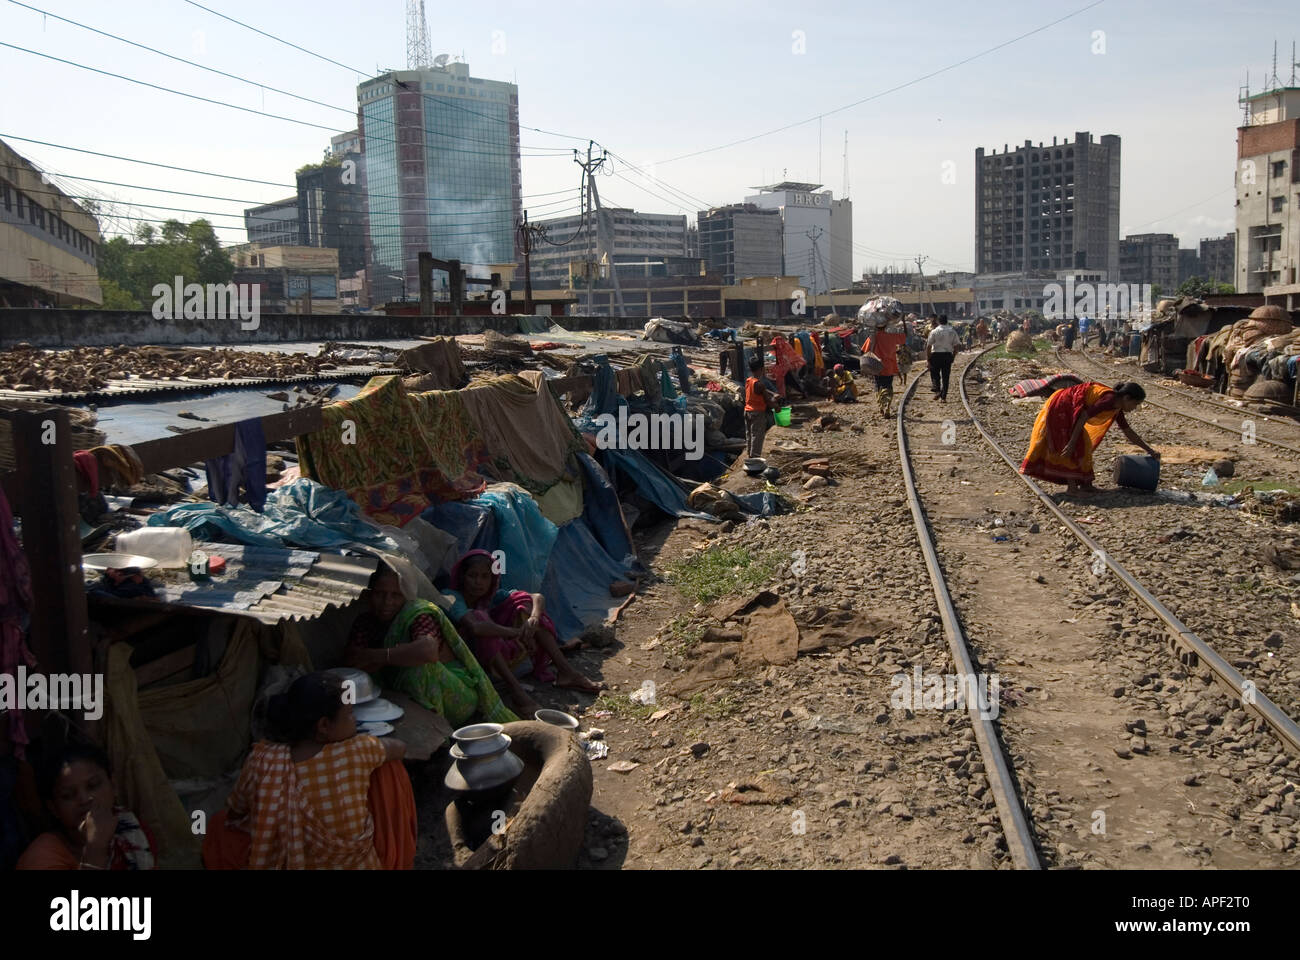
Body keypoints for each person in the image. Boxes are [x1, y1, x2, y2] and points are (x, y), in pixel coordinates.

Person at [204, 672, 416, 870]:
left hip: (287, 861)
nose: (355, 721)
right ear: (324, 725)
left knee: (218, 825)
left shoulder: (263, 759)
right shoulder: (359, 749)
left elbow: (236, 810)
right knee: (390, 768)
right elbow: (400, 748)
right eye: (350, 714)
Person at [344, 565, 518, 727]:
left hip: (456, 697)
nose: (387, 602)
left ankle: (436, 730)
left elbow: (428, 651)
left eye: (395, 595)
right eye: (380, 594)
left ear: (406, 596)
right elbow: (354, 660)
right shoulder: (365, 622)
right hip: (402, 697)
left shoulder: (418, 613)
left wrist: (377, 656)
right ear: (369, 595)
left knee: (418, 667)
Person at [447, 549, 602, 716]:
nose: (478, 582)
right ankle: (517, 692)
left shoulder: (489, 597)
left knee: (523, 603)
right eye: (472, 576)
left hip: (499, 652)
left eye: (485, 577)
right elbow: (476, 628)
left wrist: (533, 619)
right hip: (469, 659)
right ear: (462, 577)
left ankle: (566, 672)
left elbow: (536, 597)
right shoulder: (452, 597)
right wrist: (515, 632)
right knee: (482, 621)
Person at [17, 740, 155, 870]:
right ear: (53, 808)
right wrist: (95, 849)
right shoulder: (41, 857)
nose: (84, 799)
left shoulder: (131, 831)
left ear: (113, 785)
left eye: (93, 785)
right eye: (68, 795)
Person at [1020, 381, 1160, 498]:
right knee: (1072, 446)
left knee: (1085, 445)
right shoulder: (1109, 400)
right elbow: (1083, 416)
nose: (1134, 408)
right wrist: (1072, 442)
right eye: (1135, 404)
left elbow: (1128, 432)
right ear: (1127, 398)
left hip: (1071, 409)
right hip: (1062, 405)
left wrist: (1149, 450)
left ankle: (1086, 485)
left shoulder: (1116, 407)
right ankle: (1072, 488)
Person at [864, 313, 907, 418]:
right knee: (888, 387)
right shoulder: (892, 337)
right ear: (886, 326)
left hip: (876, 366)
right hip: (889, 366)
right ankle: (887, 406)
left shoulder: (873, 337)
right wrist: (904, 321)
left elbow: (864, 350)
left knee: (878, 386)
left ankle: (881, 407)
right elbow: (905, 336)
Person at [744, 355, 781, 458]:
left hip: (747, 411)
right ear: (761, 369)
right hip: (757, 413)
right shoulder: (760, 384)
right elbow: (768, 401)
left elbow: (763, 390)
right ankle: (755, 458)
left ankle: (749, 455)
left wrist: (773, 394)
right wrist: (776, 407)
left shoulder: (749, 380)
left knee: (749, 435)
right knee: (757, 436)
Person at [925, 314, 961, 401]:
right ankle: (943, 397)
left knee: (934, 374)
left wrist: (928, 359)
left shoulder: (934, 331)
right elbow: (956, 346)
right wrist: (953, 356)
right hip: (947, 355)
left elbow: (928, 346)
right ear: (947, 321)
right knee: (946, 377)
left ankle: (937, 390)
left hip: (936, 355)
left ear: (938, 321)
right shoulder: (952, 331)